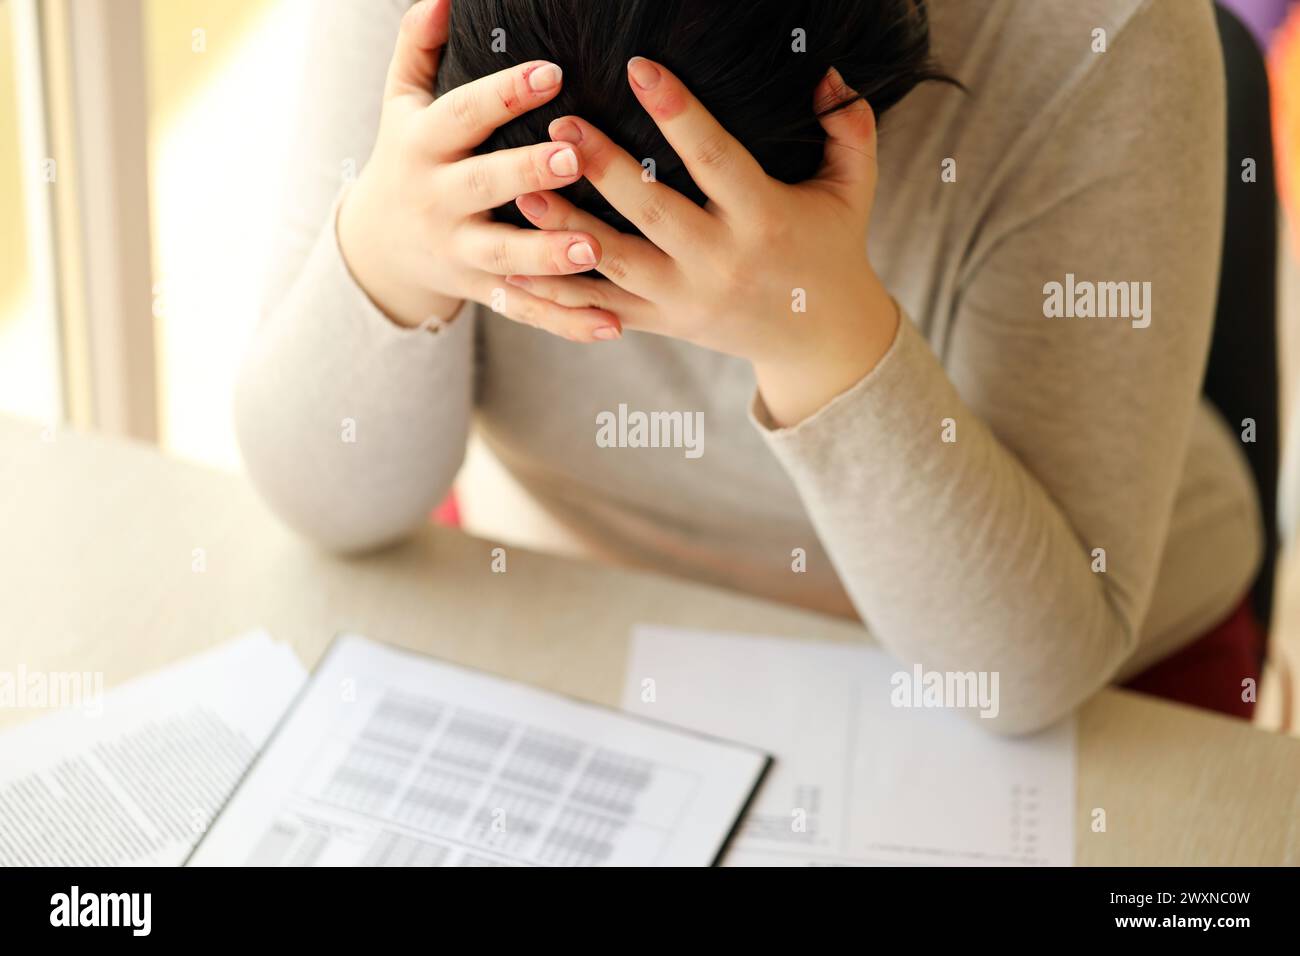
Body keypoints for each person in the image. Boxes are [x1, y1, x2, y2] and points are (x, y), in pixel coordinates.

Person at [235, 0, 1263, 733]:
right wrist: (386, 258)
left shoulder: (1101, 32)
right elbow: (329, 508)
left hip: (1060, 637)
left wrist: (822, 334)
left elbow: (1026, 673)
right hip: (570, 592)